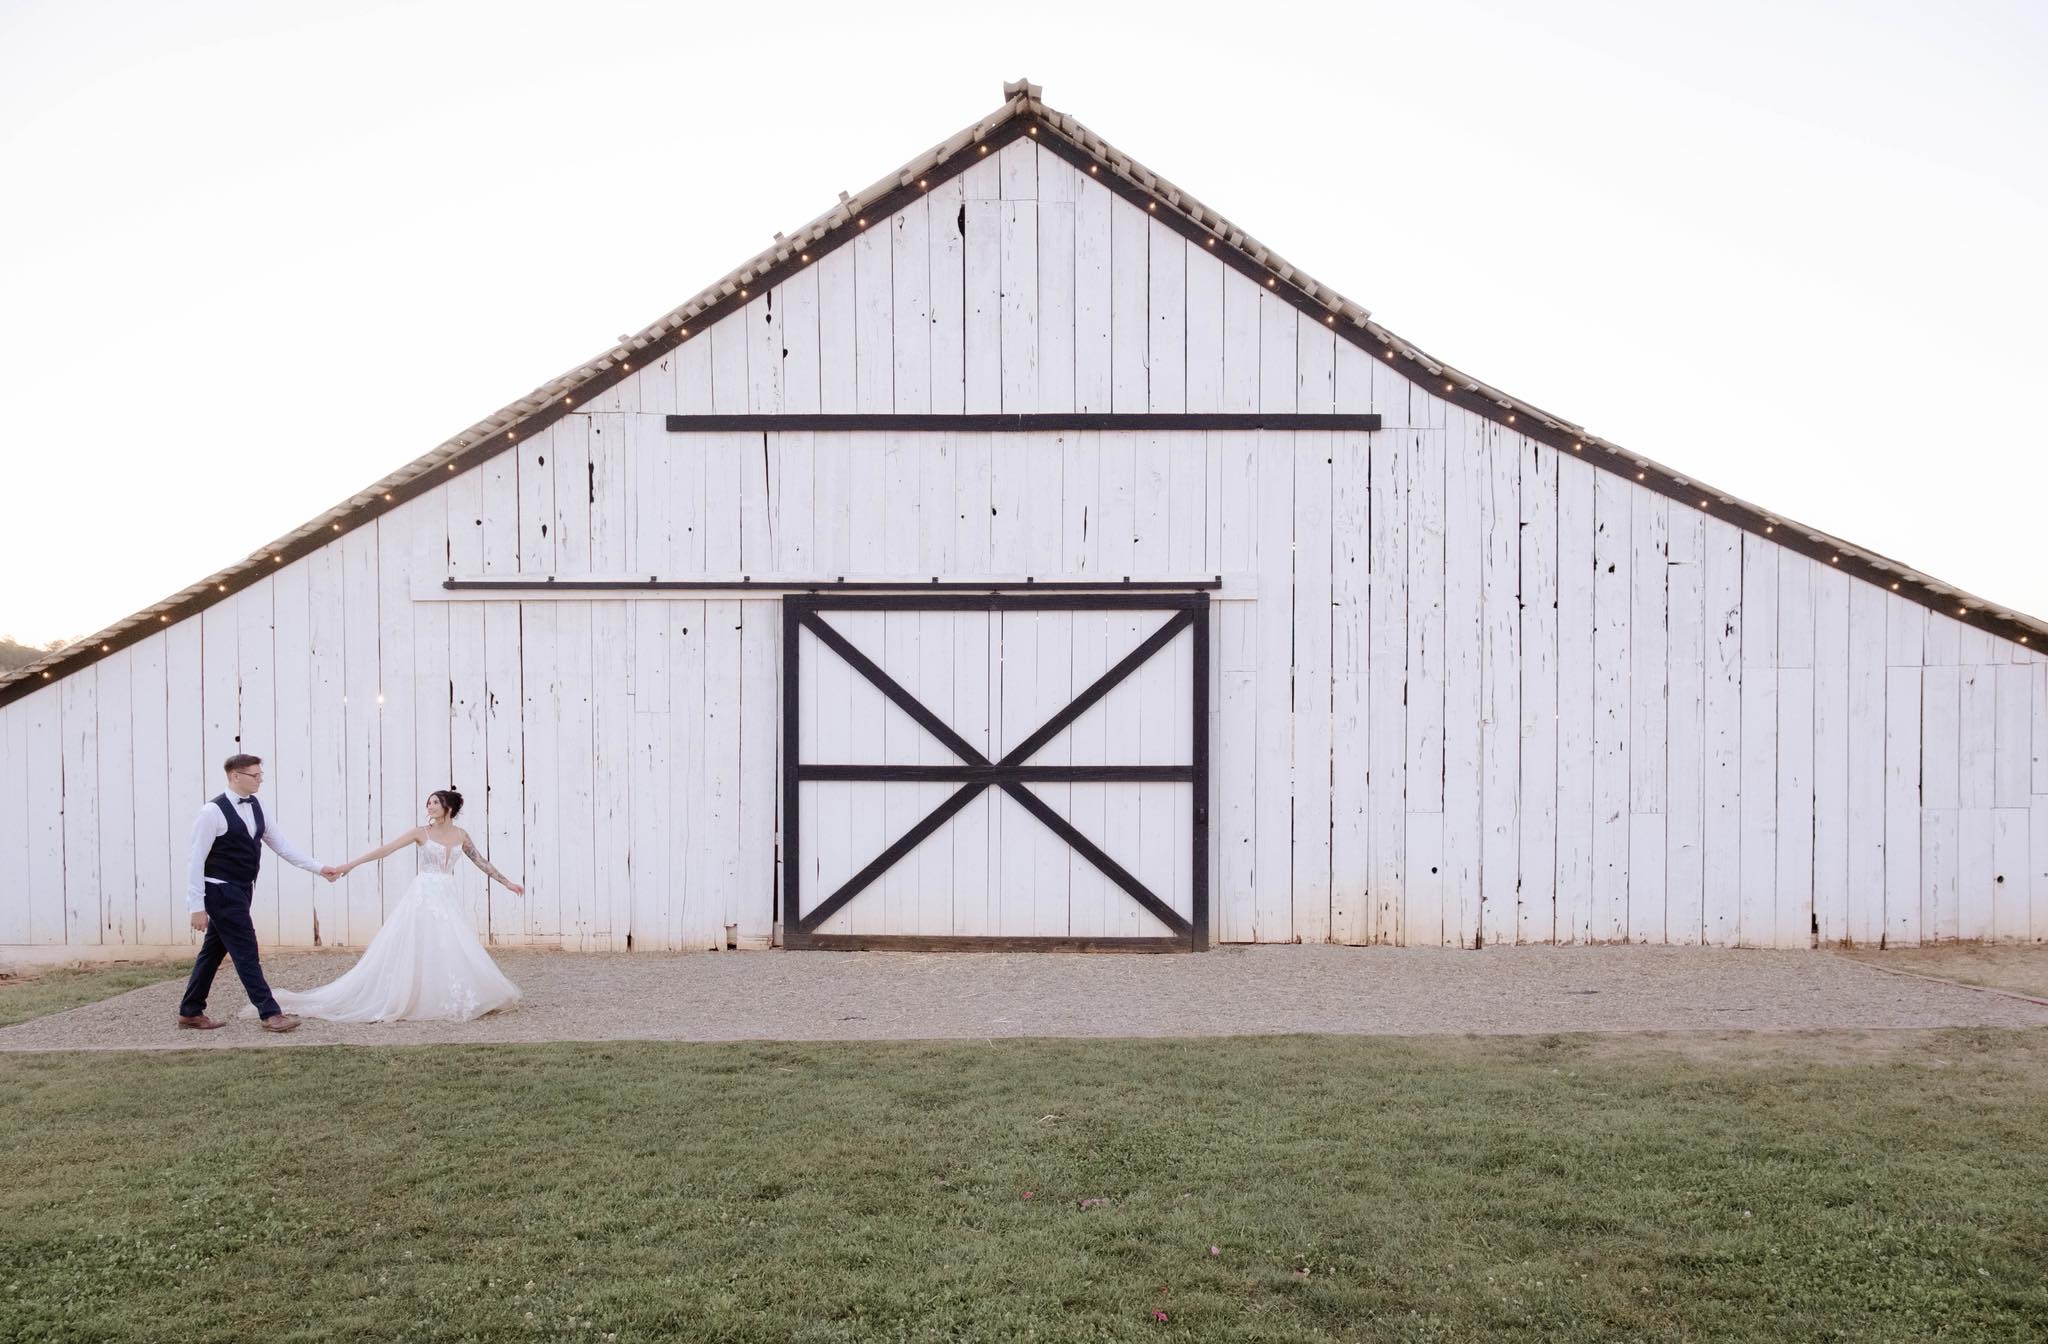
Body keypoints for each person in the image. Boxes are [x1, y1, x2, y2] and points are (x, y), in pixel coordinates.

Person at [246, 789, 526, 1022]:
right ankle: (412, 995)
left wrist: (507, 883)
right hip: (424, 893)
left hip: (446, 893)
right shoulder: (421, 833)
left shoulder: (461, 835)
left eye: (435, 802)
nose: (429, 806)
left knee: (449, 943)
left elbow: (481, 862)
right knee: (420, 942)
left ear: (448, 808)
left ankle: (447, 993)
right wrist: (350, 865)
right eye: (428, 802)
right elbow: (386, 849)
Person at [176, 753, 339, 1033]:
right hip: (220, 891)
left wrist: (320, 868)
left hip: (242, 890)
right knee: (246, 950)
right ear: (235, 776)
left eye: (260, 774)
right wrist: (196, 906)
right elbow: (195, 860)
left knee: (213, 952)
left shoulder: (257, 806)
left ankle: (191, 1010)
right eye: (255, 775)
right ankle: (269, 1013)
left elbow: (282, 845)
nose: (260, 779)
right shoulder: (211, 813)